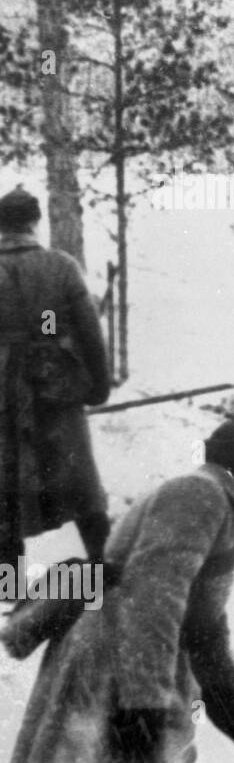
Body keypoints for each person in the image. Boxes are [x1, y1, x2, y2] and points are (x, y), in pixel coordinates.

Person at [2, 416, 234, 763]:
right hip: (114, 665)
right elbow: (153, 595)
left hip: (135, 669)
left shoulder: (219, 507)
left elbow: (208, 642)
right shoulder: (200, 495)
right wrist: (141, 705)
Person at [0, 187, 111, 574]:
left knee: (4, 492)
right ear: (35, 222)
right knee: (82, 488)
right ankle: (106, 578)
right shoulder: (59, 266)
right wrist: (99, 386)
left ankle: (6, 598)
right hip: (56, 387)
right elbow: (88, 333)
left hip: (4, 397)